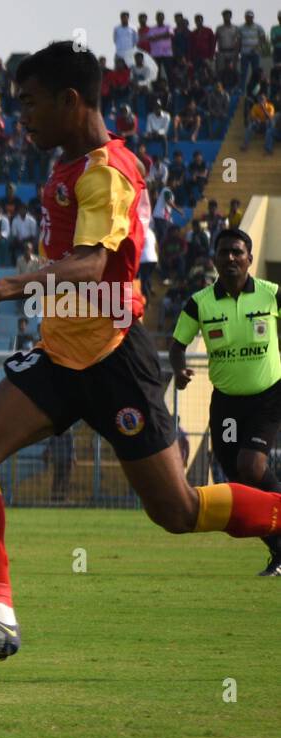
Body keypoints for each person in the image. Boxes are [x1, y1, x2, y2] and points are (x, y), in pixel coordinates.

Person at [0, 42, 281, 659]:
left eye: (30, 104)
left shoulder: (108, 169)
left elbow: (93, 263)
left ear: (70, 100)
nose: (20, 117)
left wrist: (2, 287)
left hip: (114, 358)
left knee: (177, 509)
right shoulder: (68, 167)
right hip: (62, 354)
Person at [169, 228, 281, 576]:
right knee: (239, 480)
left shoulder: (272, 295)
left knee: (252, 466)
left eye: (237, 252)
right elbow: (177, 346)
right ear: (214, 259)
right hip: (227, 404)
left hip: (267, 396)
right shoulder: (199, 302)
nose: (230, 258)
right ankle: (278, 551)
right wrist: (180, 370)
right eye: (224, 253)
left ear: (249, 257)